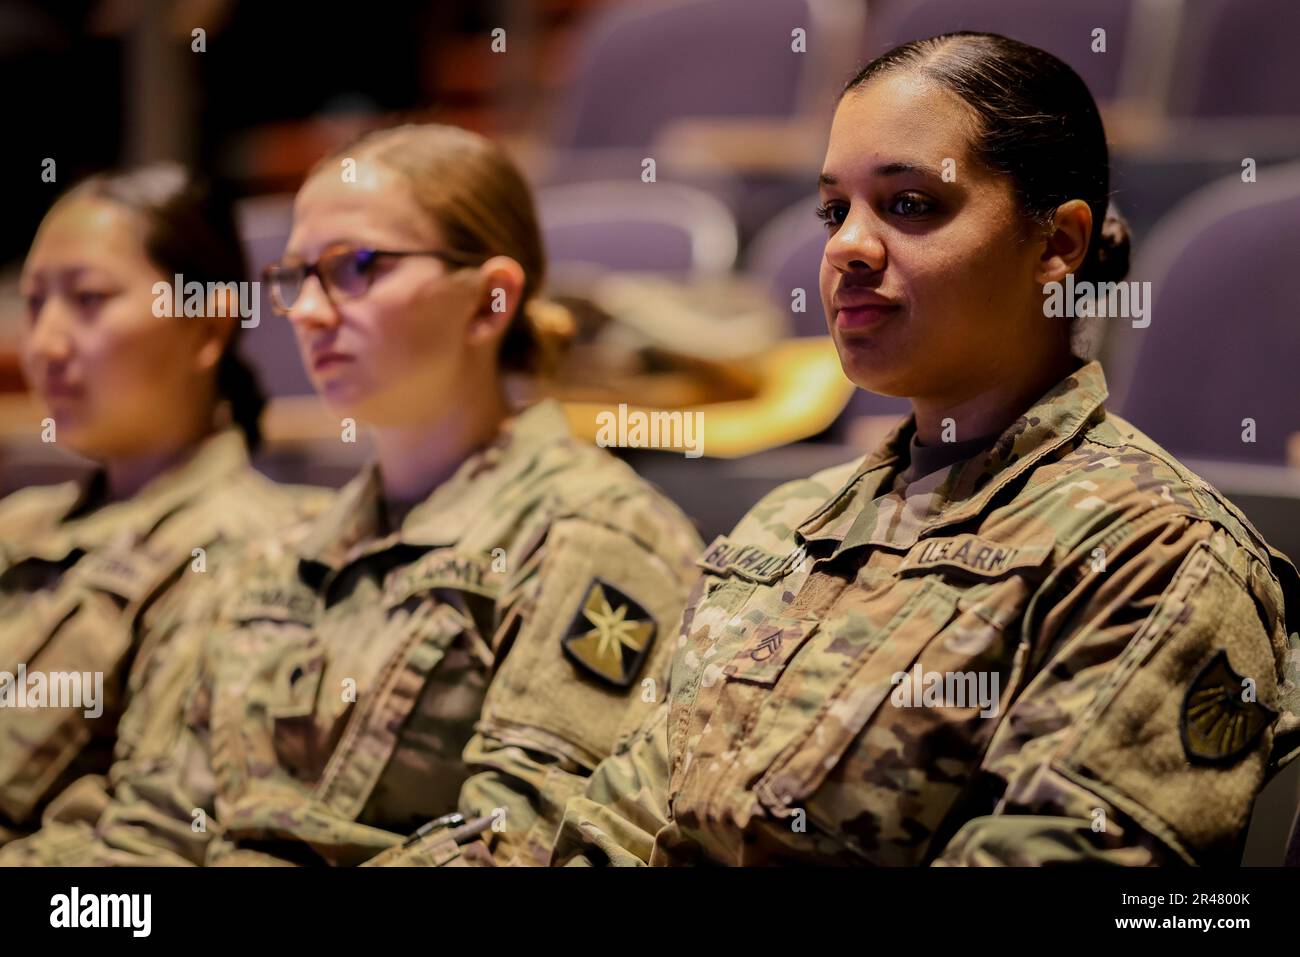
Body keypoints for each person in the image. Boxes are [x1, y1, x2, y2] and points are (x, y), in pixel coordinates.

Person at [550, 32, 1300, 867]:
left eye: (909, 204)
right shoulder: (786, 524)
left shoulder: (1153, 553)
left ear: (1058, 244)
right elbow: (612, 826)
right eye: (835, 209)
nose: (845, 247)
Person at [1, 123, 702, 867]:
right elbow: (161, 835)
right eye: (296, 275)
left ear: (491, 301)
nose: (305, 309)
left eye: (357, 266)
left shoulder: (592, 532)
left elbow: (526, 846)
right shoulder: (286, 554)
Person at [0, 164, 329, 847]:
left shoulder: (249, 551)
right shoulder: (19, 521)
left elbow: (152, 851)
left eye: (88, 299)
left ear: (206, 326)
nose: (47, 343)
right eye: (33, 303)